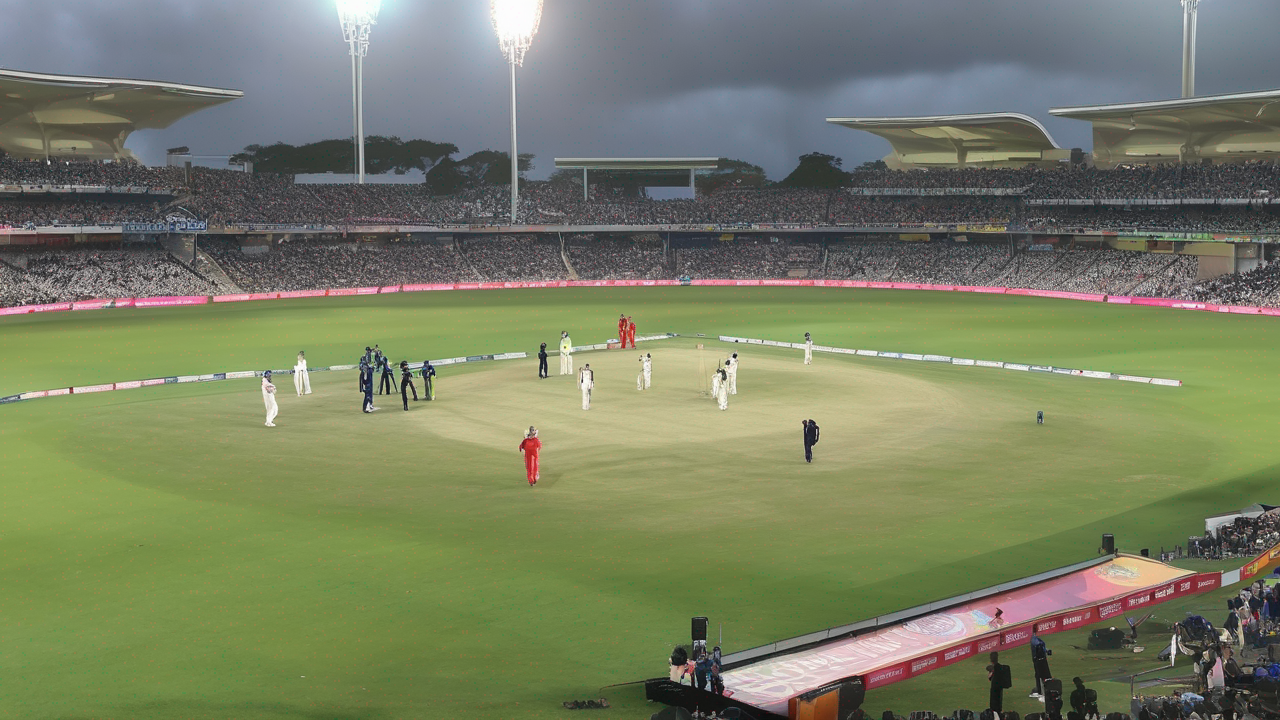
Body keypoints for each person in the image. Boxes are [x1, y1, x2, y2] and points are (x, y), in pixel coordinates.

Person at [1030, 629, 1053, 698]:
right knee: (1040, 675)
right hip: (1040, 659)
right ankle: (1041, 691)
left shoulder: (1035, 640)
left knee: (1039, 675)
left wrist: (1046, 651)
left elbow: (1040, 647)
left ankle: (1042, 691)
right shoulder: (1036, 640)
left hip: (1039, 660)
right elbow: (1040, 647)